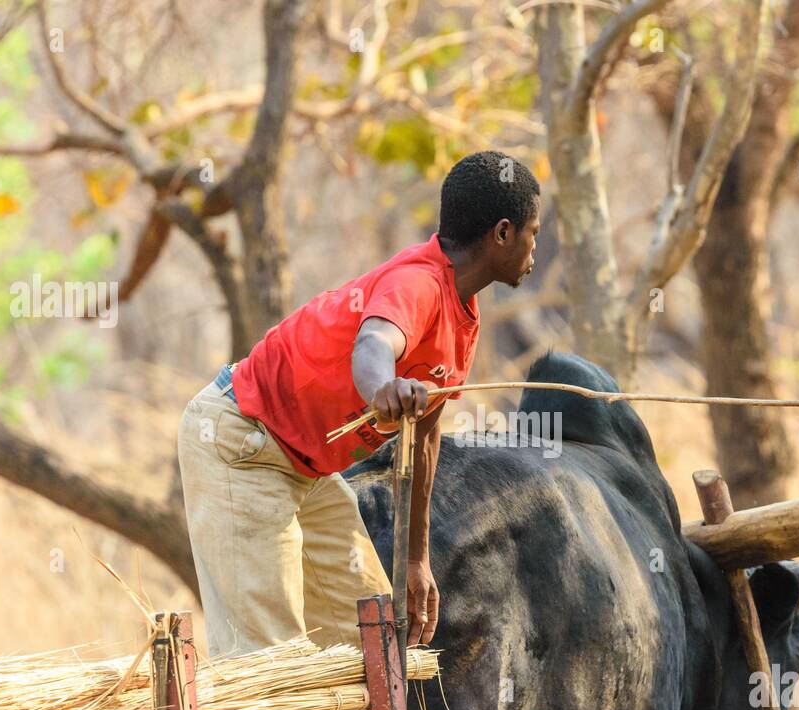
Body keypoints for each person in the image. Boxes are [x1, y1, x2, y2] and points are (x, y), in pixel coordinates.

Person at [177, 151, 541, 657]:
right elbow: (372, 344)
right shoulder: (418, 284)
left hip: (306, 471)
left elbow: (427, 438)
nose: (534, 247)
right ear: (503, 233)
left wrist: (416, 561)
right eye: (533, 232)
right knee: (267, 662)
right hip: (244, 442)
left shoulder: (465, 316)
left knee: (369, 640)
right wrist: (382, 389)